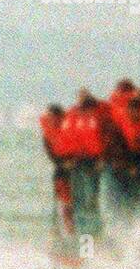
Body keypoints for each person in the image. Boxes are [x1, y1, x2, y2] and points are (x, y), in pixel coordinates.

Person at [59, 92, 106, 238]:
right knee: (79, 200)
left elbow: (102, 138)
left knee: (92, 199)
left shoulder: (95, 116)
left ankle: (92, 237)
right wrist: (66, 160)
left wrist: (101, 158)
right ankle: (83, 238)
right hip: (76, 164)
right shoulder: (73, 117)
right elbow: (66, 138)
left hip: (91, 163)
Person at [39, 105, 74, 239]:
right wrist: (62, 163)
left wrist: (72, 161)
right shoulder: (47, 134)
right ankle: (62, 235)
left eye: (53, 117)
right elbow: (50, 154)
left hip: (77, 169)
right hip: (61, 170)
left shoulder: (69, 128)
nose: (51, 120)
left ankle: (82, 237)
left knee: (78, 204)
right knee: (63, 204)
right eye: (49, 118)